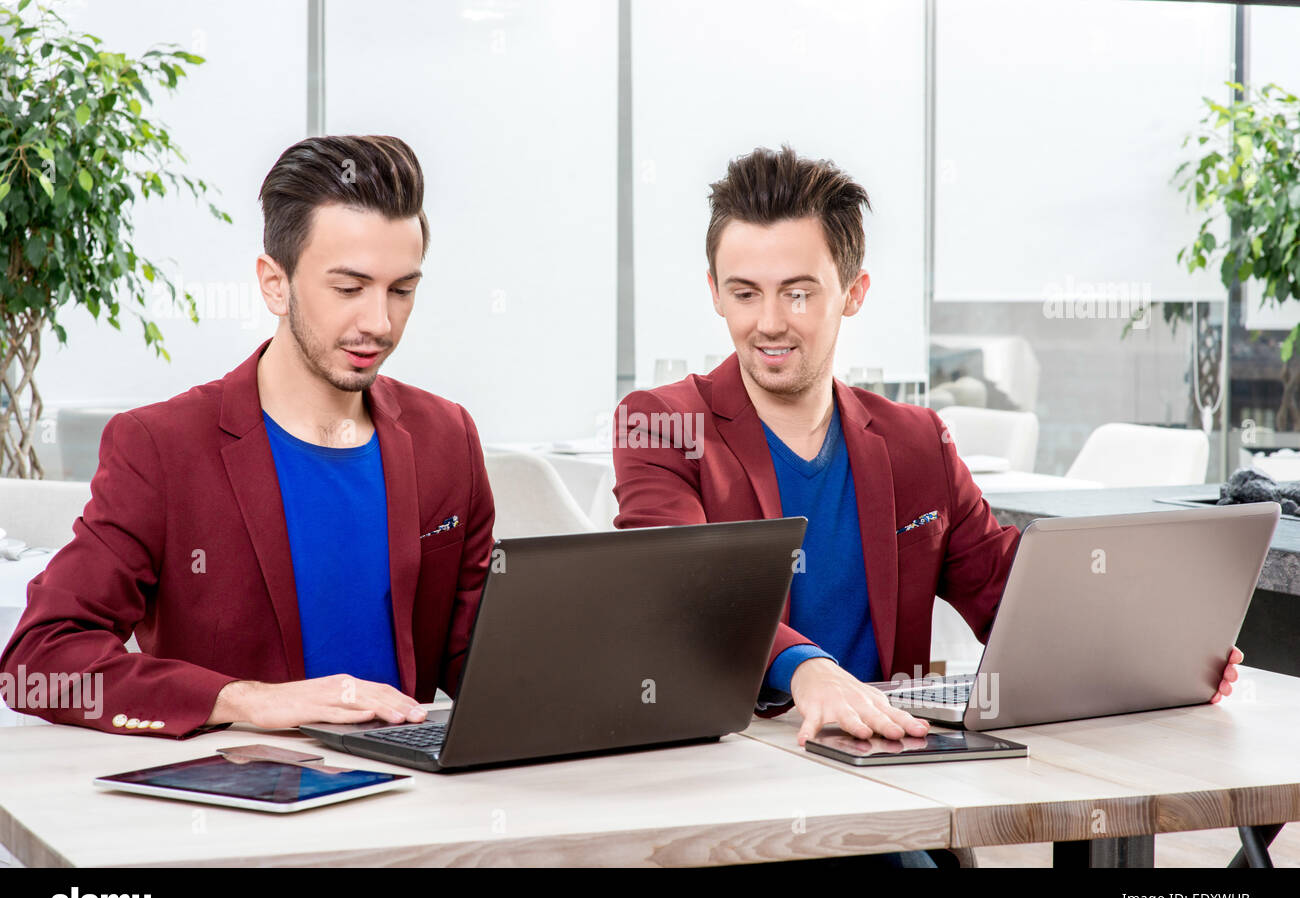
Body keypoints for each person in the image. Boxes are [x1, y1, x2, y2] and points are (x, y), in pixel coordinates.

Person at [612, 145, 1245, 751]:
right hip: (737, 765)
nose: (769, 321)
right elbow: (679, 586)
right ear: (715, 291)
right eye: (745, 292)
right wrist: (809, 672)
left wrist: (1153, 654)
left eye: (798, 292)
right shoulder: (663, 423)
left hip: (886, 756)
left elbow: (1009, 594)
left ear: (854, 293)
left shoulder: (917, 442)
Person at [1, 135, 494, 737]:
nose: (379, 323)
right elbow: (39, 659)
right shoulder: (162, 446)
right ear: (274, 284)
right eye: (348, 288)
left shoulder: (447, 437)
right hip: (240, 806)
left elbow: (482, 661)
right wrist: (245, 700)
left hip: (418, 805)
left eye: (401, 290)